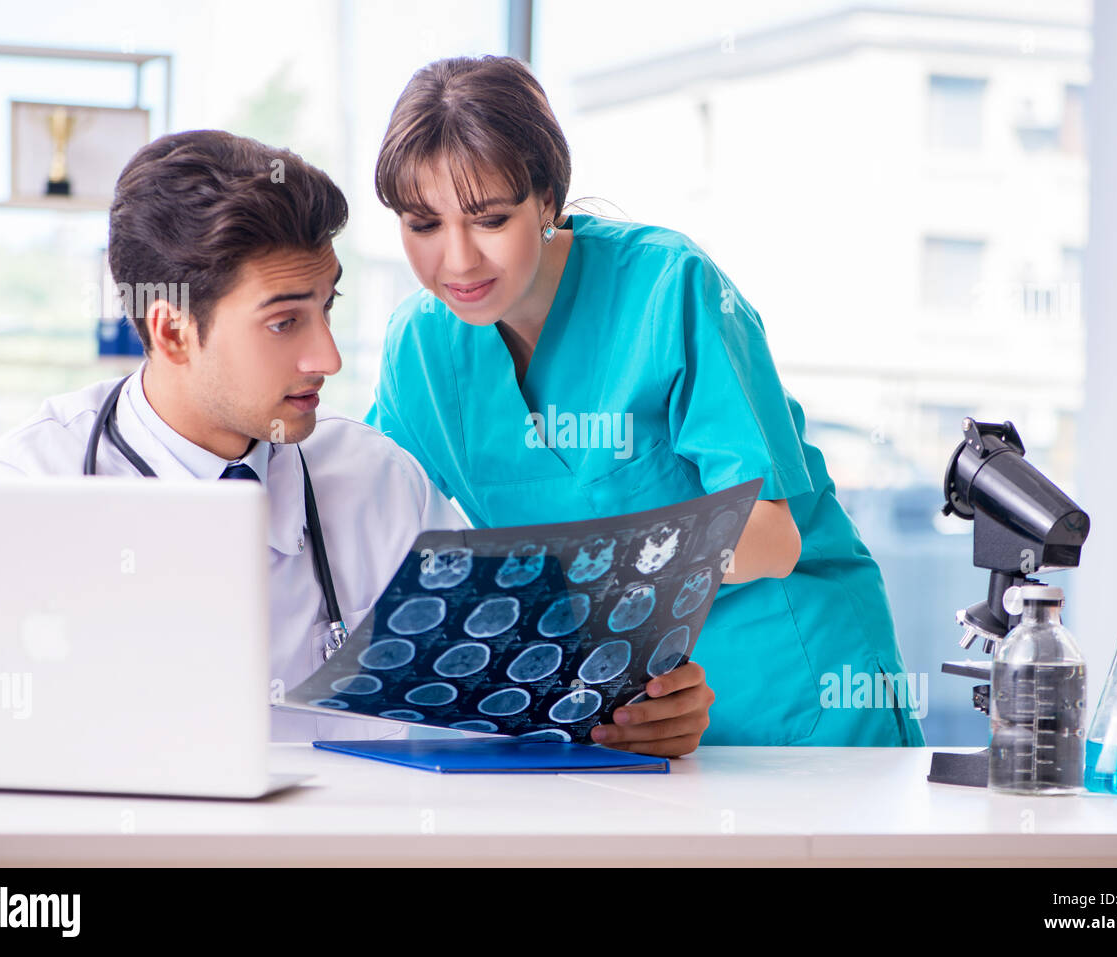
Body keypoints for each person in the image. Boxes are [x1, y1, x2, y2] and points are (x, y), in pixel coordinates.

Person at [365, 55, 926, 754]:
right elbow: (369, 521)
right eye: (423, 225)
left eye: (489, 219)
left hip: (793, 682)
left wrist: (573, 589)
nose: (457, 260)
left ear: (547, 200)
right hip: (624, 709)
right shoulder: (420, 349)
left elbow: (771, 535)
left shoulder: (668, 289)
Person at [0, 130, 466, 742]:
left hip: (342, 838)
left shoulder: (380, 480)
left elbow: (489, 709)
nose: (327, 358)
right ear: (172, 331)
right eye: (284, 322)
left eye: (326, 308)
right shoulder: (22, 495)